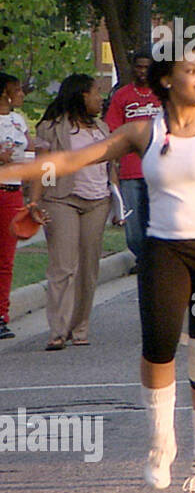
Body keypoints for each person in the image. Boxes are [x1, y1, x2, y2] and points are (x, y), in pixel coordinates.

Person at [0, 43, 195, 493]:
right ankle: (162, 442)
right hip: (165, 251)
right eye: (191, 71)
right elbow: (69, 161)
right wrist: (15, 170)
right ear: (167, 80)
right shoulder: (143, 132)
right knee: (159, 350)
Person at [28, 75, 121, 350]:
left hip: (98, 201)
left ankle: (79, 328)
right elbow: (44, 167)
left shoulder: (102, 128)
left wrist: (117, 202)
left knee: (88, 268)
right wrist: (36, 201)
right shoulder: (52, 128)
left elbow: (110, 168)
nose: (100, 99)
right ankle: (58, 330)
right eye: (95, 94)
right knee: (63, 266)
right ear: (81, 95)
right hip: (61, 199)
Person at [104, 52, 160, 263]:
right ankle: (143, 260)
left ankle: (152, 264)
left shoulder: (162, 94)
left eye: (147, 67)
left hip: (158, 169)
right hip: (130, 172)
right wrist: (113, 172)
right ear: (132, 68)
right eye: (139, 67)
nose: (142, 72)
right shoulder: (122, 96)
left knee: (157, 223)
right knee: (134, 229)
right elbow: (113, 134)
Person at [0, 73, 31, 339]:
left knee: (6, 259)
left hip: (12, 192)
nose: (21, 93)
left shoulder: (18, 122)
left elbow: (30, 152)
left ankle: (1, 314)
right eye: (17, 89)